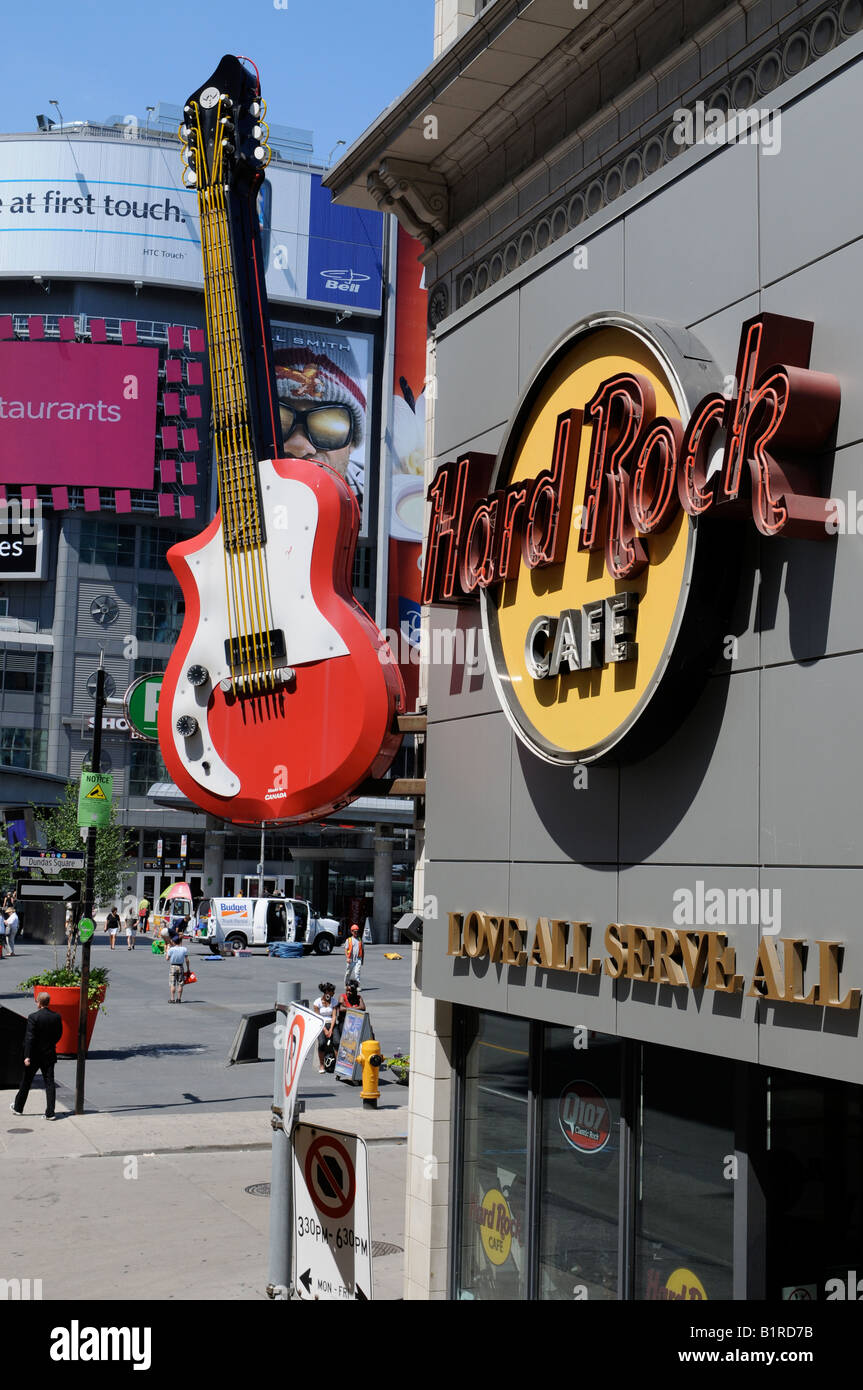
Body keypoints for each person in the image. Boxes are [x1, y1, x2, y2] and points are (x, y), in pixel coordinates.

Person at [274, 348, 367, 507]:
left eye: (327, 427)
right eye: (277, 423)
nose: (301, 447)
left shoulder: (386, 509)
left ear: (351, 442)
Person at [10, 992, 63, 1120]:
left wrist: (27, 1056)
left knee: (26, 1081)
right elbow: (59, 1034)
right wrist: (50, 1044)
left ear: (39, 1002)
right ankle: (50, 1112)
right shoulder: (56, 1017)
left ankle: (18, 1107)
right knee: (49, 1083)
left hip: (34, 1056)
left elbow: (29, 1038)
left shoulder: (33, 1017)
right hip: (49, 1054)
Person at [312, 982, 338, 1073]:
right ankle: (322, 1065)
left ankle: (338, 1065)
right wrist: (325, 1030)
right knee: (322, 1043)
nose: (333, 993)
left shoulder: (334, 1001)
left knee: (337, 1042)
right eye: (332, 991)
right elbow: (318, 1018)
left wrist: (331, 1029)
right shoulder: (317, 1002)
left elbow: (334, 1016)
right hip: (321, 1025)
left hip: (331, 1024)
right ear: (327, 992)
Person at [166, 936, 191, 1003]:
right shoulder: (184, 949)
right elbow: (187, 960)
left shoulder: (171, 949)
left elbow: (167, 959)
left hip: (173, 966)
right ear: (180, 942)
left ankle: (172, 999)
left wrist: (167, 950)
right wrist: (188, 969)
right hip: (180, 966)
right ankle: (179, 998)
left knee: (172, 983)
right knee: (180, 983)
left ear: (173, 942)